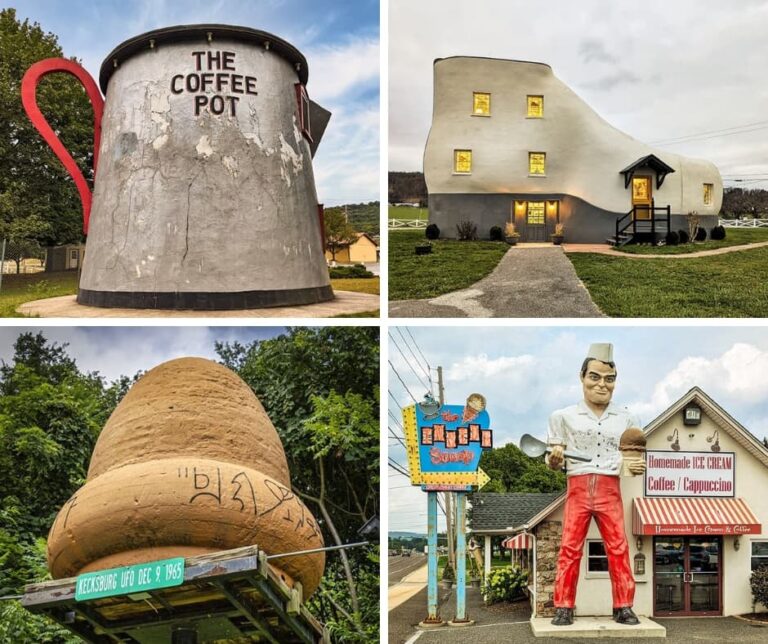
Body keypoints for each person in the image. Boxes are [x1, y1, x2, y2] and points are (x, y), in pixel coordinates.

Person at [546, 343, 645, 626]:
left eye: (609, 379)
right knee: (569, 547)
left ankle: (623, 605)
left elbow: (633, 462)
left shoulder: (627, 418)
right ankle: (563, 606)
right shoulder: (562, 416)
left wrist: (636, 464)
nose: (602, 385)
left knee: (618, 547)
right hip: (577, 484)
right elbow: (553, 462)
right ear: (582, 377)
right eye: (595, 377)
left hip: (609, 487)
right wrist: (554, 458)